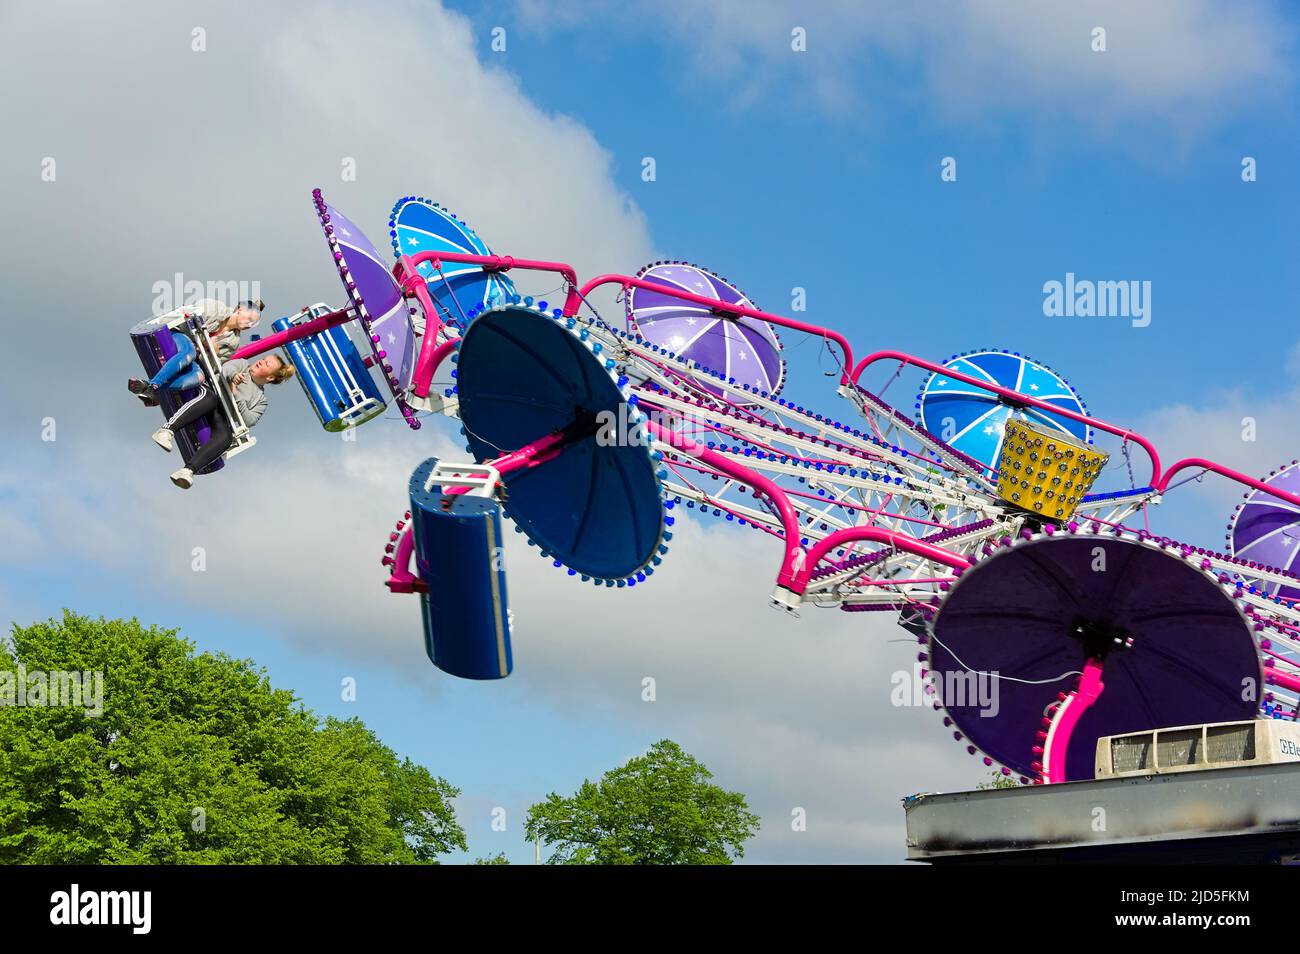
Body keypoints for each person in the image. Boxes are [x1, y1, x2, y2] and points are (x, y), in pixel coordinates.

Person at [151, 353, 295, 489]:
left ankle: (188, 470)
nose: (261, 362)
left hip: (222, 414)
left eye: (266, 364)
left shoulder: (261, 400)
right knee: (210, 399)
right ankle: (167, 430)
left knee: (226, 437)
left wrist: (236, 395)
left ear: (270, 377)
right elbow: (227, 368)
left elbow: (249, 420)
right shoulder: (243, 365)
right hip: (211, 393)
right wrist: (233, 377)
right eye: (263, 359)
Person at [127, 299, 265, 404]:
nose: (249, 324)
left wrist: (212, 353)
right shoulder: (214, 307)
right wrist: (204, 342)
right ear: (240, 309)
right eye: (249, 318)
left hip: (195, 357)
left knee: (199, 377)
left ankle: (149, 386)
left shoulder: (233, 343)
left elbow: (212, 367)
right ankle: (154, 387)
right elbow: (184, 318)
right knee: (189, 351)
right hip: (177, 334)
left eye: (253, 323)